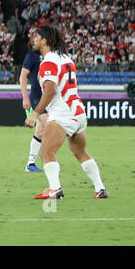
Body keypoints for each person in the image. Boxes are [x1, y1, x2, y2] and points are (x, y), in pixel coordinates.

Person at [29, 25, 109, 200]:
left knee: (47, 152)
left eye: (37, 37)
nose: (33, 39)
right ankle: (100, 188)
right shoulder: (66, 58)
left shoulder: (48, 61)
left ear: (45, 41)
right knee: (79, 151)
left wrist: (35, 113)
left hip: (63, 114)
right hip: (78, 112)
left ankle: (55, 189)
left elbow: (50, 91)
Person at [19, 23, 48, 172]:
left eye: (36, 37)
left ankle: (30, 164)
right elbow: (23, 77)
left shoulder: (50, 56)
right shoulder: (31, 56)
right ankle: (49, 161)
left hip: (49, 98)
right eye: (33, 38)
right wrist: (25, 97)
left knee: (40, 131)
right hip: (37, 97)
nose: (34, 40)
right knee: (50, 127)